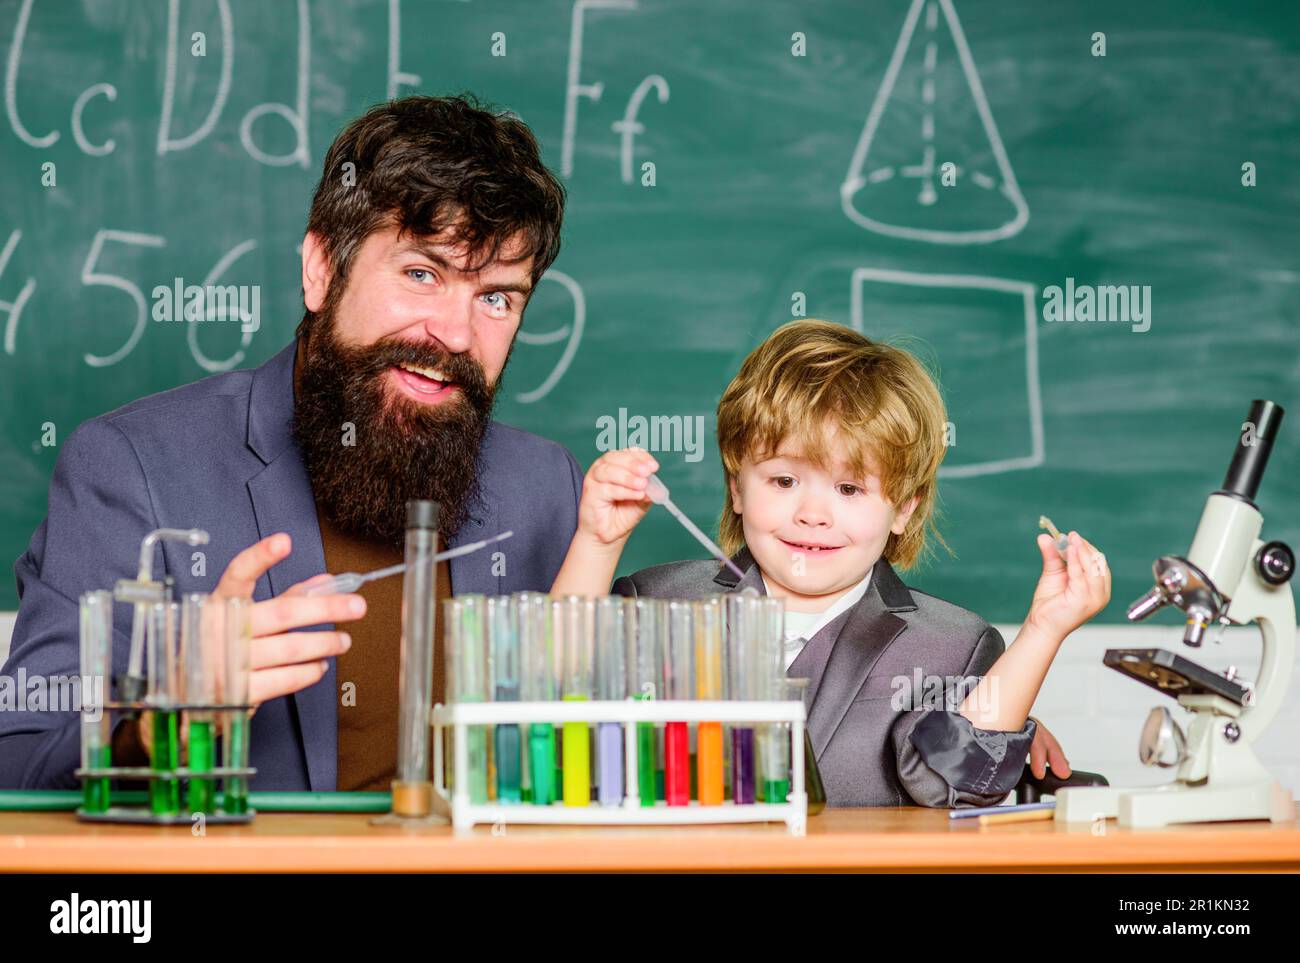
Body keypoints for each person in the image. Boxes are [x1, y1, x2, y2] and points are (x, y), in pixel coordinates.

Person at [2, 95, 580, 792]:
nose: (456, 335)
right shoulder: (132, 466)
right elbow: (19, 762)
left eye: (497, 298)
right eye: (422, 273)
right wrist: (159, 727)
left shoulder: (547, 486)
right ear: (321, 269)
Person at [551, 319, 1109, 807]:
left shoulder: (951, 645)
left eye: (848, 487)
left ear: (902, 509)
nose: (813, 514)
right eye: (785, 480)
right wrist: (597, 544)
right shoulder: (659, 601)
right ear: (737, 488)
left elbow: (955, 778)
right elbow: (550, 717)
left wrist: (1042, 632)